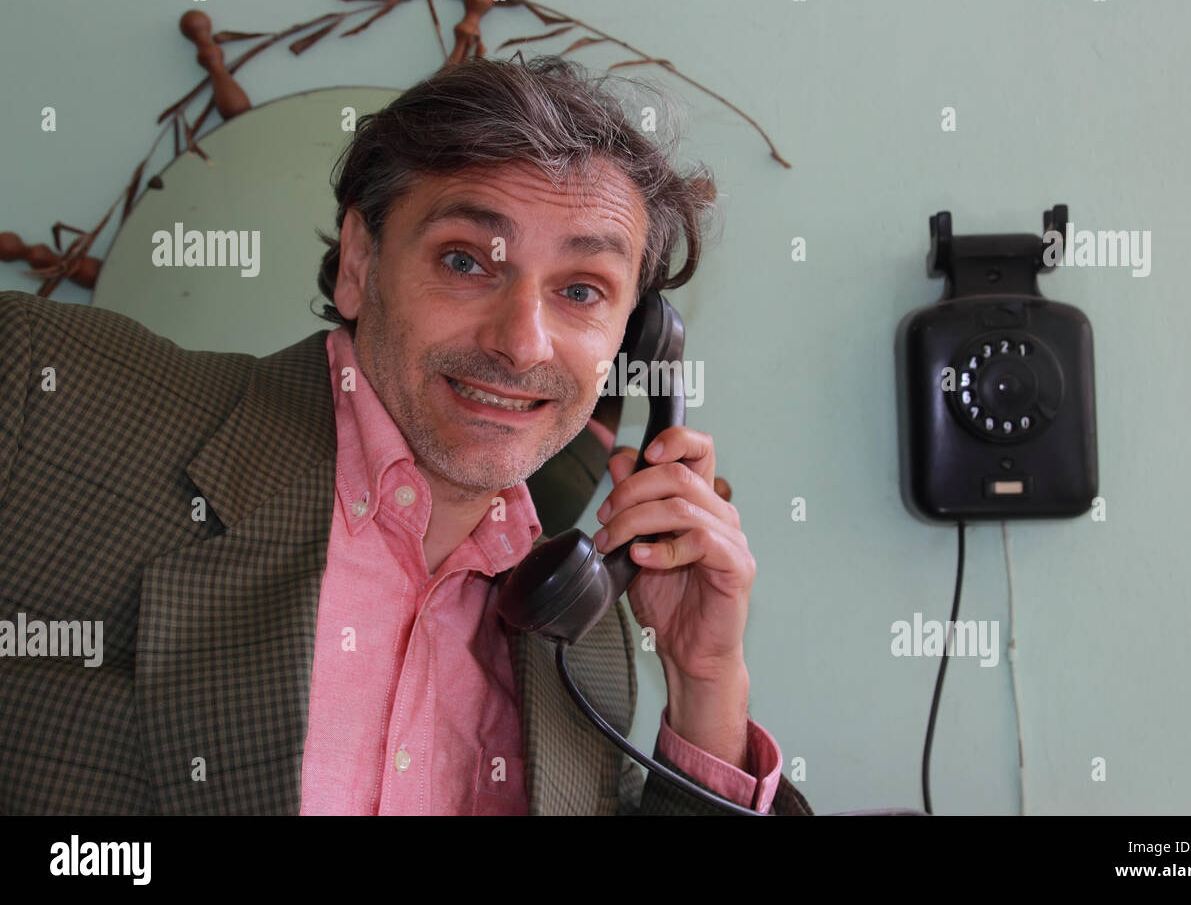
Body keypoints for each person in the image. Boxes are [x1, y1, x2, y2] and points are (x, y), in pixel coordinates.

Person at [0, 55, 813, 815]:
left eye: (580, 289)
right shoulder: (53, 392)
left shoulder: (577, 635)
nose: (522, 343)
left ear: (629, 341)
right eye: (465, 262)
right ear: (359, 260)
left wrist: (705, 681)